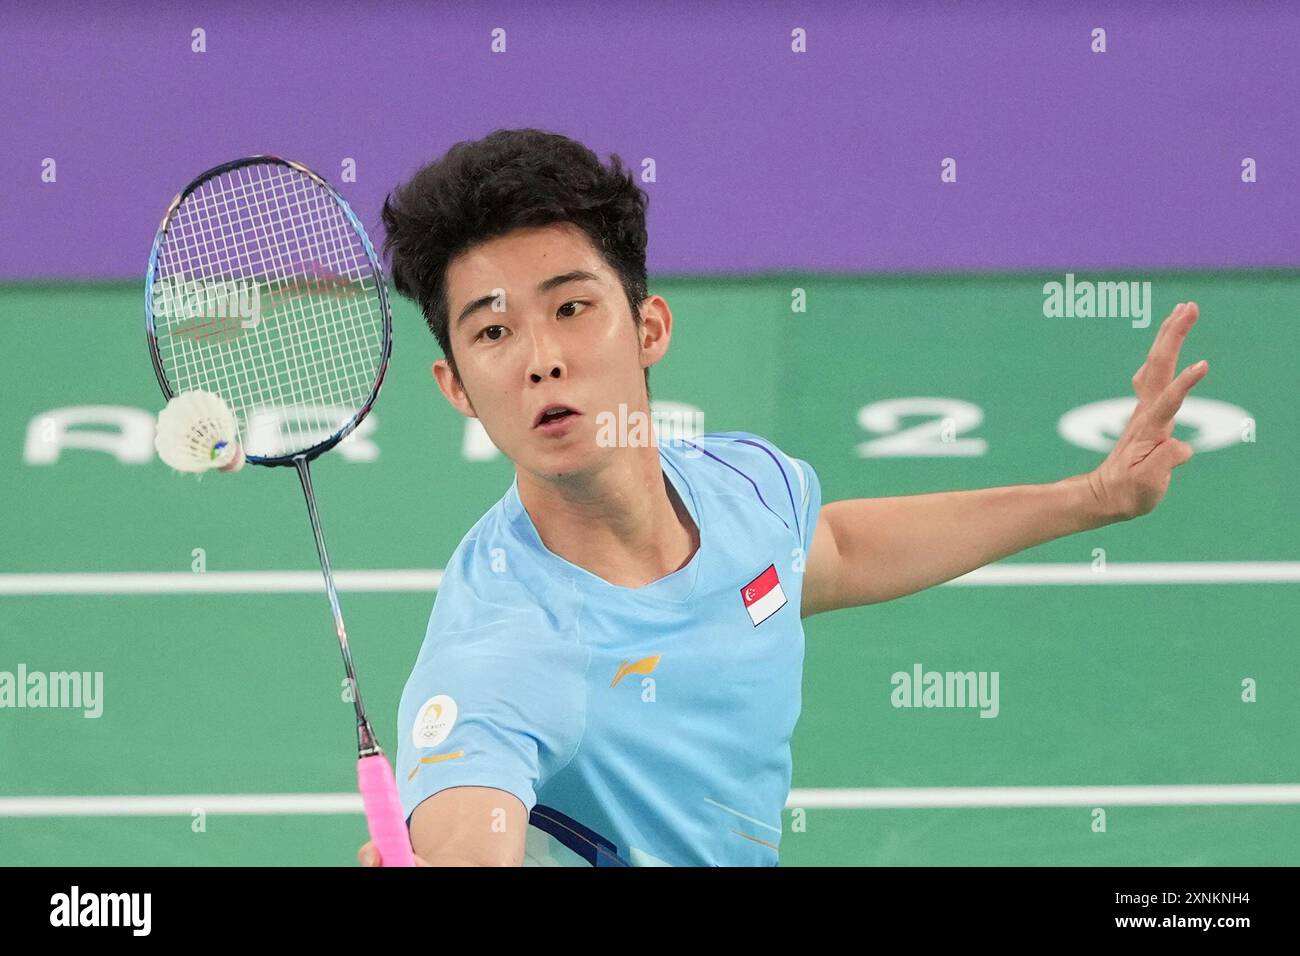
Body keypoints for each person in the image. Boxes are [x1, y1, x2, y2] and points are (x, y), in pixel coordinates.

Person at [359, 128, 1208, 867]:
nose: (541, 357)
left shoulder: (742, 487)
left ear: (649, 327)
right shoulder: (502, 653)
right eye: (494, 331)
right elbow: (470, 826)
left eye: (572, 307)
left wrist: (1094, 496)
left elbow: (829, 551)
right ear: (458, 387)